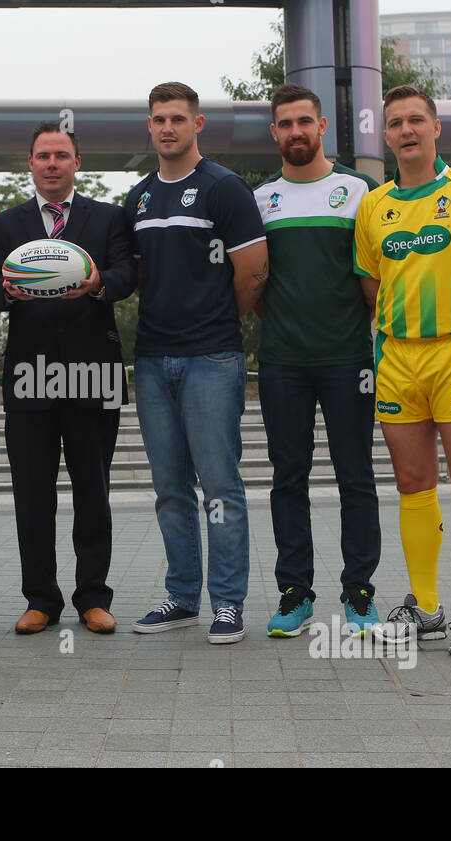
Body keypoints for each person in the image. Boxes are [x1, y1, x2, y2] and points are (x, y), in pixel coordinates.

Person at [354, 84, 451, 656]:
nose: (407, 130)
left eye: (417, 120)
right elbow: (372, 284)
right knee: (413, 484)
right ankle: (425, 607)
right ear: (386, 135)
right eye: (396, 122)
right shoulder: (373, 205)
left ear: (436, 127)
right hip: (396, 356)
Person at [0, 122, 137, 635]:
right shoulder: (5, 225)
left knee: (93, 491)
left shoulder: (108, 217)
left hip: (94, 372)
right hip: (30, 374)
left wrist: (98, 282)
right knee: (32, 494)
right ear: (30, 163)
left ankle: (93, 597)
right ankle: (40, 600)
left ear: (76, 163)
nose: (51, 163)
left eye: (61, 155)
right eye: (43, 155)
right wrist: (7, 292)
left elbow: (128, 275)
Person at [125, 82, 269, 645]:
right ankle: (182, 597)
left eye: (178, 119)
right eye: (159, 119)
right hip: (152, 361)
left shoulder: (224, 188)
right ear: (149, 125)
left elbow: (253, 272)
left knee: (220, 486)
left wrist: (213, 320)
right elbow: (139, 277)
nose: (168, 128)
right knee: (170, 488)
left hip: (212, 357)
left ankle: (228, 604)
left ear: (197, 124)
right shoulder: (138, 197)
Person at [251, 84, 382, 638]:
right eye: (285, 123)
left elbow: (374, 278)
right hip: (282, 361)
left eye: (305, 121)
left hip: (348, 358)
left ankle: (359, 593)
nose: (296, 131)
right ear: (274, 132)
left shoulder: (360, 190)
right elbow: (254, 281)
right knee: (288, 478)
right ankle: (295, 593)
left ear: (322, 126)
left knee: (357, 477)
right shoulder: (260, 199)